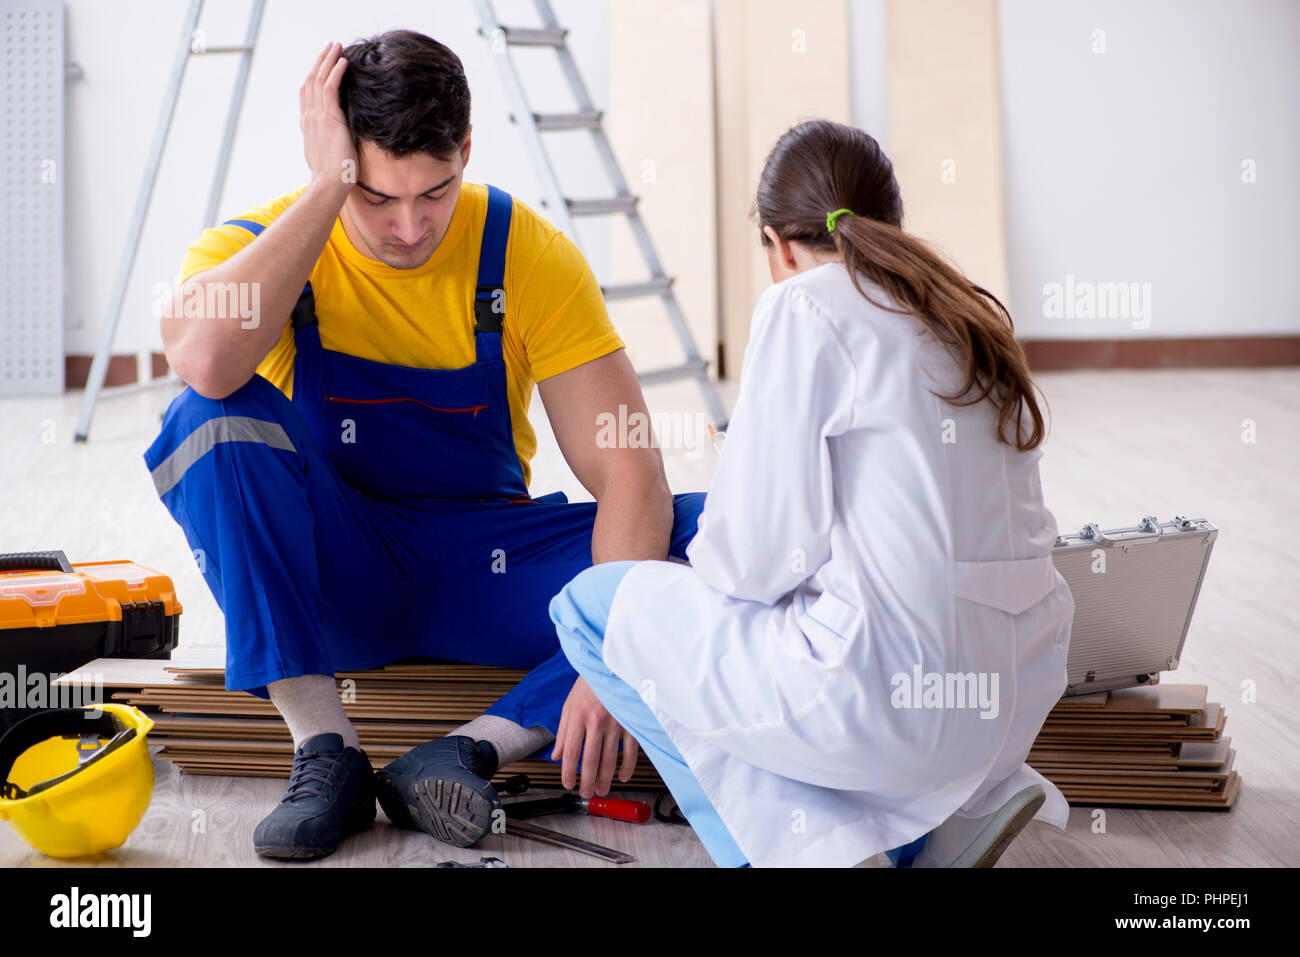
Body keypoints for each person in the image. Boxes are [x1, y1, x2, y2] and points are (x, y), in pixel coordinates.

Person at [144, 31, 696, 859]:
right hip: (344, 579)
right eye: (376, 197)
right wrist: (327, 192)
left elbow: (630, 470)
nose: (409, 227)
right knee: (205, 415)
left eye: (434, 193)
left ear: (466, 150)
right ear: (335, 164)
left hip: (494, 570)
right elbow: (202, 362)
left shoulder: (525, 251)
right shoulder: (276, 241)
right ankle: (325, 754)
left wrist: (609, 656)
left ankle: (468, 750)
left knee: (716, 536)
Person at [550, 119, 1077, 868]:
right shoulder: (963, 313)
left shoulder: (805, 305)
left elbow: (750, 562)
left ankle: (814, 853)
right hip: (1011, 692)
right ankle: (939, 825)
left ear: (780, 245)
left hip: (891, 701)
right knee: (784, 657)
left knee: (594, 605)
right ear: (888, 223)